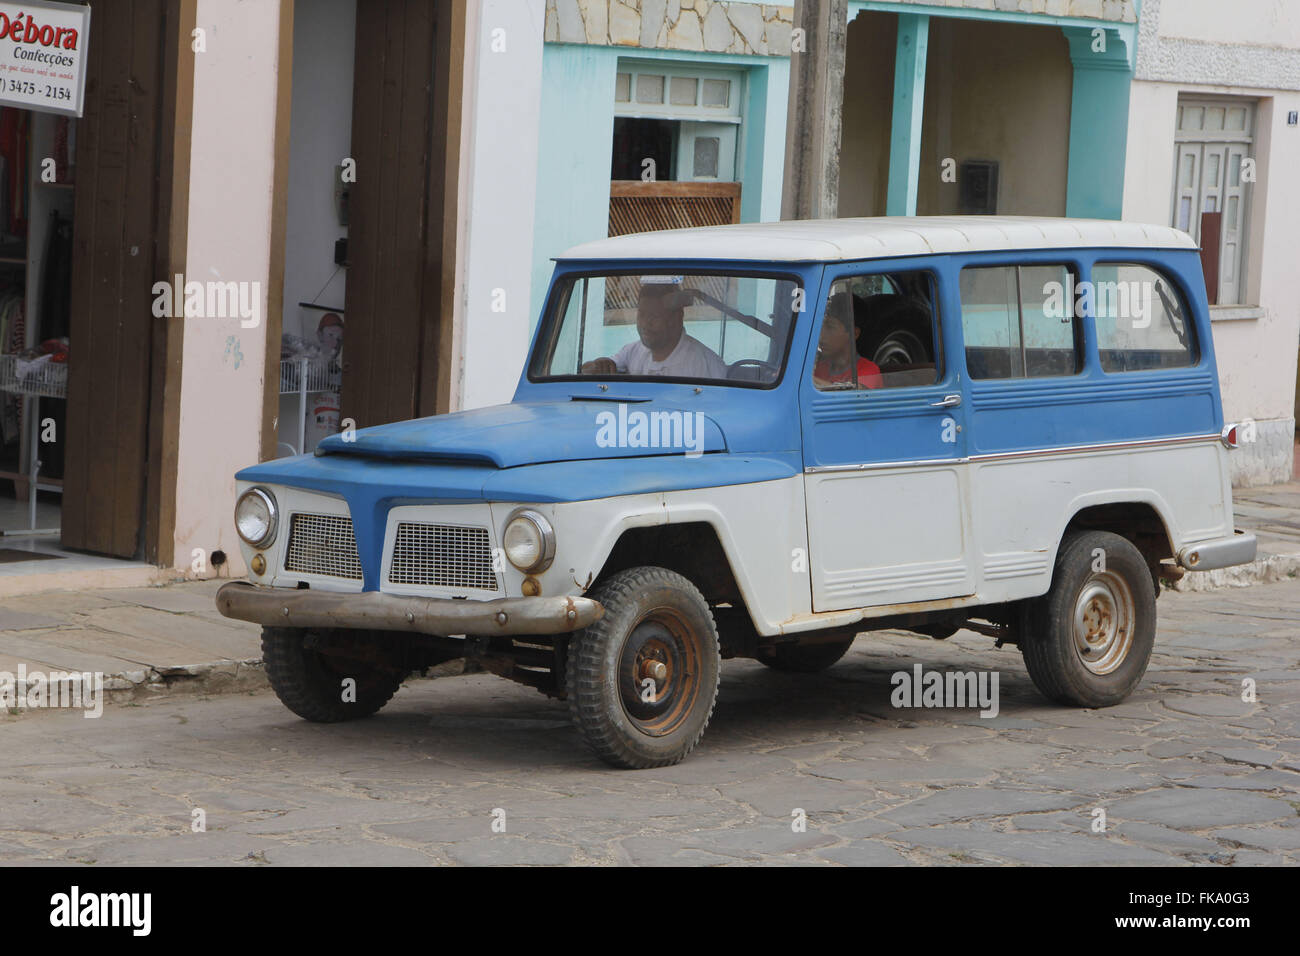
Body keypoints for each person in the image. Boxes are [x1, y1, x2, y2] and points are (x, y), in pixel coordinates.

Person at [581, 282, 727, 379]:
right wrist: (596, 367)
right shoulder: (633, 351)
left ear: (677, 318)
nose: (645, 323)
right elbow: (594, 369)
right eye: (642, 315)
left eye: (654, 316)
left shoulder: (705, 365)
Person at [813, 293, 882, 388]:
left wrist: (806, 380)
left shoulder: (869, 370)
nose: (821, 336)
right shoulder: (819, 368)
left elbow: (850, 397)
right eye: (821, 326)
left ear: (854, 333)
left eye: (830, 327)